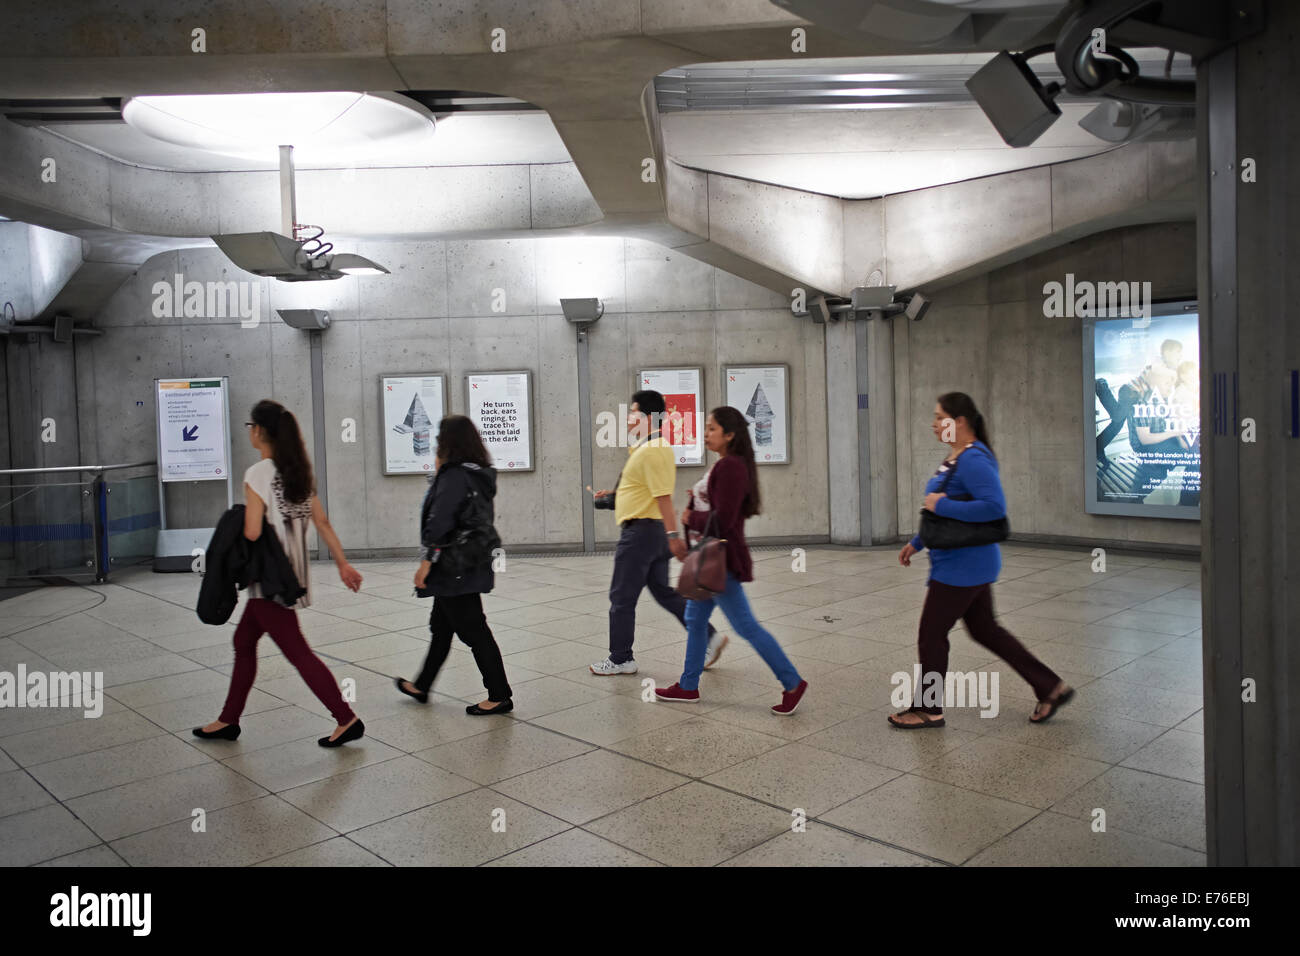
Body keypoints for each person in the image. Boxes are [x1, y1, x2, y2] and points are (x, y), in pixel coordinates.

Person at [892, 392, 1072, 728]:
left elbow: (993, 507)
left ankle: (928, 708)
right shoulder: (957, 457)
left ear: (959, 422)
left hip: (963, 567)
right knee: (985, 630)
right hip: (964, 563)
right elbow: (943, 512)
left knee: (931, 635)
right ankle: (1049, 686)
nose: (933, 424)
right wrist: (918, 542)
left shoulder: (973, 459)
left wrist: (941, 504)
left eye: (940, 417)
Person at [195, 399, 366, 747]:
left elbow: (253, 531)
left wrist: (232, 525)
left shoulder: (258, 473)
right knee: (243, 641)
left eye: (250, 426)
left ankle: (345, 717)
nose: (250, 432)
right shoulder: (298, 472)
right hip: (293, 575)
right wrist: (342, 563)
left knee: (297, 652)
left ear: (259, 431)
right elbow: (322, 522)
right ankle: (228, 719)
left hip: (269, 578)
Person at [654, 407, 808, 714]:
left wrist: (691, 517)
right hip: (709, 559)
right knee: (694, 620)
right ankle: (688, 686)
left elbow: (723, 520)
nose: (706, 433)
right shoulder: (727, 465)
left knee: (745, 626)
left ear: (729, 435)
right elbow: (721, 507)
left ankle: (792, 682)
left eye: (712, 428)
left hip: (720, 562)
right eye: (707, 427)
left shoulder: (731, 467)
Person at [589, 390, 725, 675]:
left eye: (633, 412)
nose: (628, 417)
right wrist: (611, 495)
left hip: (641, 535)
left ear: (649, 417)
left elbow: (663, 497)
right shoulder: (646, 448)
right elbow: (642, 491)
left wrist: (673, 536)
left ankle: (620, 658)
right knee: (664, 592)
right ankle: (709, 636)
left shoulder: (653, 449)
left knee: (621, 597)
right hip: (650, 532)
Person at [395, 415, 513, 715]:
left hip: (453, 566)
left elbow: (440, 523)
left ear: (449, 442)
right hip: (469, 562)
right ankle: (422, 685)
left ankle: (499, 694)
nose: (436, 442)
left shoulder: (454, 476)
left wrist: (426, 563)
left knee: (475, 631)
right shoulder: (477, 474)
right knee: (441, 627)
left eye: (440, 438)